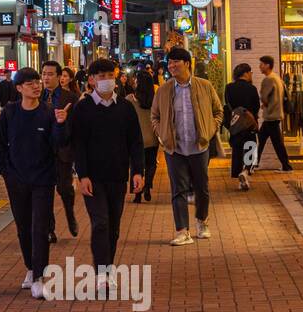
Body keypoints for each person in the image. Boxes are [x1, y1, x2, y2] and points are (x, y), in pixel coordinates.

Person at [67, 59, 144, 292]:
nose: (106, 80)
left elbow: (135, 141)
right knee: (100, 223)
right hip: (93, 177)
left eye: (110, 74)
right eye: (100, 76)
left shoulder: (125, 107)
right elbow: (77, 144)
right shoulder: (83, 108)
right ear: (91, 80)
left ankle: (108, 268)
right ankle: (102, 273)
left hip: (118, 175)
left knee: (113, 226)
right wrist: (82, 175)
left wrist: (138, 171)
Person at [0, 67, 68, 299]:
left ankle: (38, 276)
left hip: (43, 179)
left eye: (37, 81)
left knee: (40, 228)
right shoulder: (9, 112)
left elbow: (58, 144)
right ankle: (30, 267)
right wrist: (4, 171)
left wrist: (60, 124)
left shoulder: (48, 112)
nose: (36, 85)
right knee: (23, 227)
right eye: (30, 83)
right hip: (16, 179)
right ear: (19, 88)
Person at [151, 46, 224, 246]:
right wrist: (162, 134)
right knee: (178, 190)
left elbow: (218, 111)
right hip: (174, 148)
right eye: (170, 62)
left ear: (187, 64)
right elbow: (154, 115)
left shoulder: (204, 86)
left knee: (202, 188)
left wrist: (210, 130)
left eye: (176, 61)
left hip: (199, 146)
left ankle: (202, 222)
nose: (172, 66)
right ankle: (182, 231)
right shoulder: (164, 89)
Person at [39, 60, 79, 240]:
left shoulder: (69, 98)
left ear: (59, 77)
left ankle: (70, 215)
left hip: (63, 150)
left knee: (64, 189)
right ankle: (49, 229)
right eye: (44, 74)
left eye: (50, 74)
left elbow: (78, 125)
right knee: (44, 192)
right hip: (42, 153)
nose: (46, 78)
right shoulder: (35, 96)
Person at [225, 63, 261, 191]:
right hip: (249, 125)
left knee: (237, 151)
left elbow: (227, 105)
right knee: (250, 148)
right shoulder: (251, 88)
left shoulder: (229, 88)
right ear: (245, 73)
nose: (251, 74)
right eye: (250, 72)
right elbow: (256, 106)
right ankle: (245, 172)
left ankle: (240, 179)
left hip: (235, 125)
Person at [126, 67, 159, 203]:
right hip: (153, 138)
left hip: (136, 139)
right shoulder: (155, 99)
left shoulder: (130, 99)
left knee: (136, 165)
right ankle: (147, 186)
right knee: (151, 164)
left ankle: (137, 194)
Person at [256, 55, 294, 172]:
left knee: (276, 143)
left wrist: (264, 103)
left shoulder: (268, 79)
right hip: (275, 115)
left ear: (267, 65)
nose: (260, 66)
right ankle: (253, 164)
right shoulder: (277, 78)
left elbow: (264, 97)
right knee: (262, 139)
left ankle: (286, 166)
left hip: (271, 116)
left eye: (262, 64)